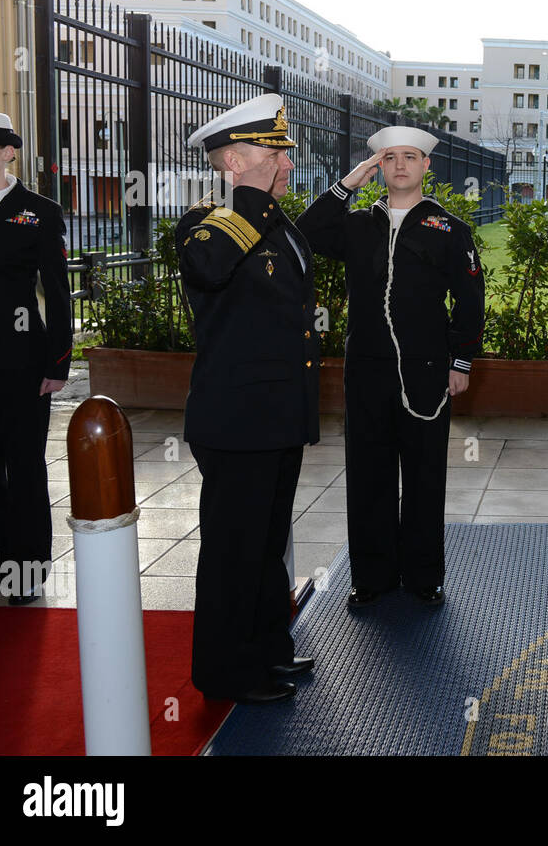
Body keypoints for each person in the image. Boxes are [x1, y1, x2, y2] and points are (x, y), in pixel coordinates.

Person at [296, 126, 484, 609]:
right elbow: (308, 232)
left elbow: (469, 303)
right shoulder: (357, 225)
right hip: (367, 371)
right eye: (389, 157)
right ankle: (373, 576)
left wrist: (460, 362)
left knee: (424, 475)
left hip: (426, 371)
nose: (400, 165)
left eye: (410, 157)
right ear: (379, 166)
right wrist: (348, 184)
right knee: (368, 473)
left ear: (426, 167)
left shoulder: (448, 229)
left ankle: (424, 576)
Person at [177, 93, 321, 703]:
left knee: (265, 546)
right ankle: (225, 672)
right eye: (274, 151)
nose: (287, 162)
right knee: (234, 551)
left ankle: (268, 652)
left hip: (277, 416)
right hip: (237, 421)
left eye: (285, 150)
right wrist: (249, 199)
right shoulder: (213, 221)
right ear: (233, 159)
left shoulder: (277, 220)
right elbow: (209, 266)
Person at [0, 111, 71, 604]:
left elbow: (57, 292)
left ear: (8, 152)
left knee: (24, 464)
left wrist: (57, 365)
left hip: (19, 361)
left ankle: (25, 570)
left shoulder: (38, 211)